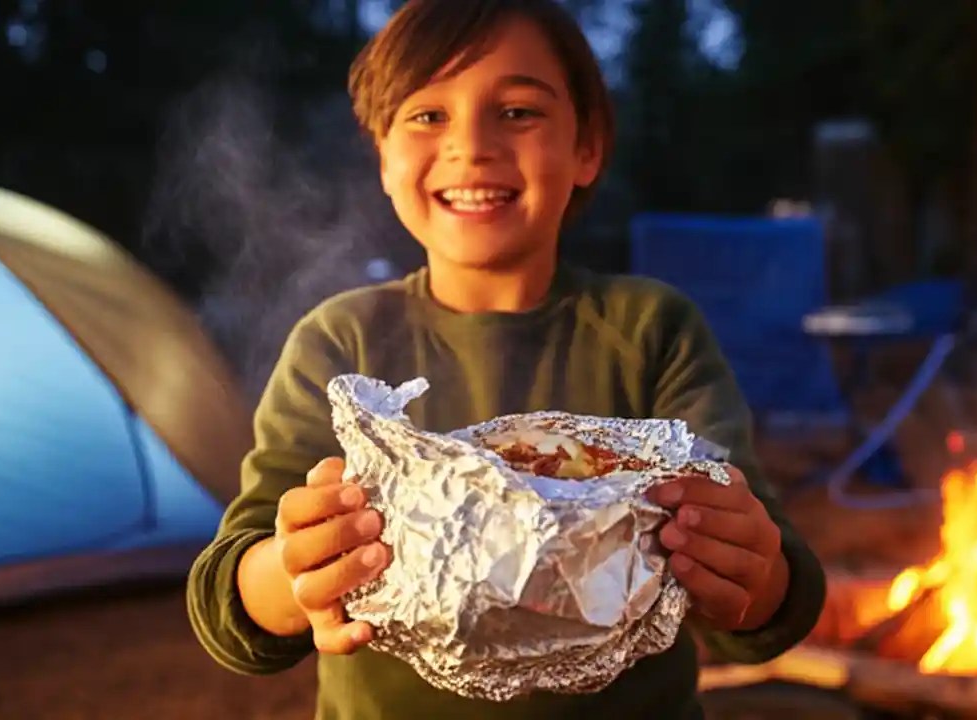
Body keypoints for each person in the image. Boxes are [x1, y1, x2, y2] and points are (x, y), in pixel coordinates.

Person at [187, 0, 827, 717]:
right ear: (383, 157)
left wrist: (750, 569)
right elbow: (228, 601)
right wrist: (291, 572)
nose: (472, 147)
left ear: (587, 148)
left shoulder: (652, 330)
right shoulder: (341, 345)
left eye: (518, 111)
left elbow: (772, 595)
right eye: (428, 115)